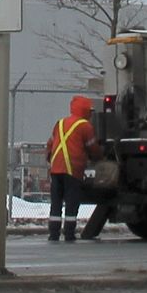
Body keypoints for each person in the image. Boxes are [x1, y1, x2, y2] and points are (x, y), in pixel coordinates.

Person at [45, 96, 95, 243]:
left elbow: (50, 143)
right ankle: (69, 233)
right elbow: (92, 147)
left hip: (56, 169)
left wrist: (50, 158)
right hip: (73, 169)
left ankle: (53, 234)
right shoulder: (85, 126)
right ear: (86, 110)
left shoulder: (60, 123)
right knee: (71, 203)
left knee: (56, 203)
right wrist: (99, 158)